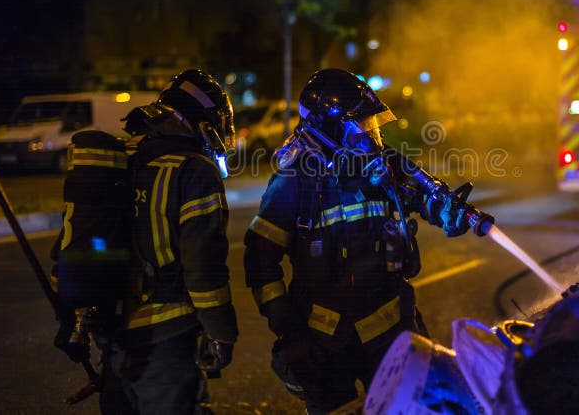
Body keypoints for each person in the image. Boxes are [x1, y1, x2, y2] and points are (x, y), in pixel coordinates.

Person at [244, 68, 474, 413]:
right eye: (362, 126)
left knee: (412, 406)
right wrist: (290, 331)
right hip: (323, 339)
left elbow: (418, 198)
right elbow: (261, 259)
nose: (371, 134)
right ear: (331, 127)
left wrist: (448, 213)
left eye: (373, 125)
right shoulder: (297, 178)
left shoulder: (381, 166)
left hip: (391, 327)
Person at [80, 69, 238, 414]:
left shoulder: (123, 157)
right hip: (166, 335)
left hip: (113, 332)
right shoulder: (194, 169)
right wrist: (221, 332)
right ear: (205, 121)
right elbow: (204, 266)